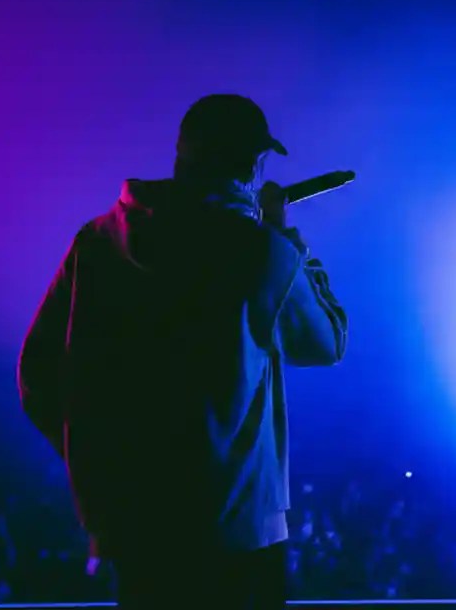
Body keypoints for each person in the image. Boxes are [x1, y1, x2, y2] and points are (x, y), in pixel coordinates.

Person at [18, 94, 348, 609]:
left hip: (136, 531)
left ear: (180, 157)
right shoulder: (261, 252)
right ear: (252, 164)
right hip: (238, 538)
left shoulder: (97, 243)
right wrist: (286, 236)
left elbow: (37, 377)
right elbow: (326, 342)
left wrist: (103, 466)